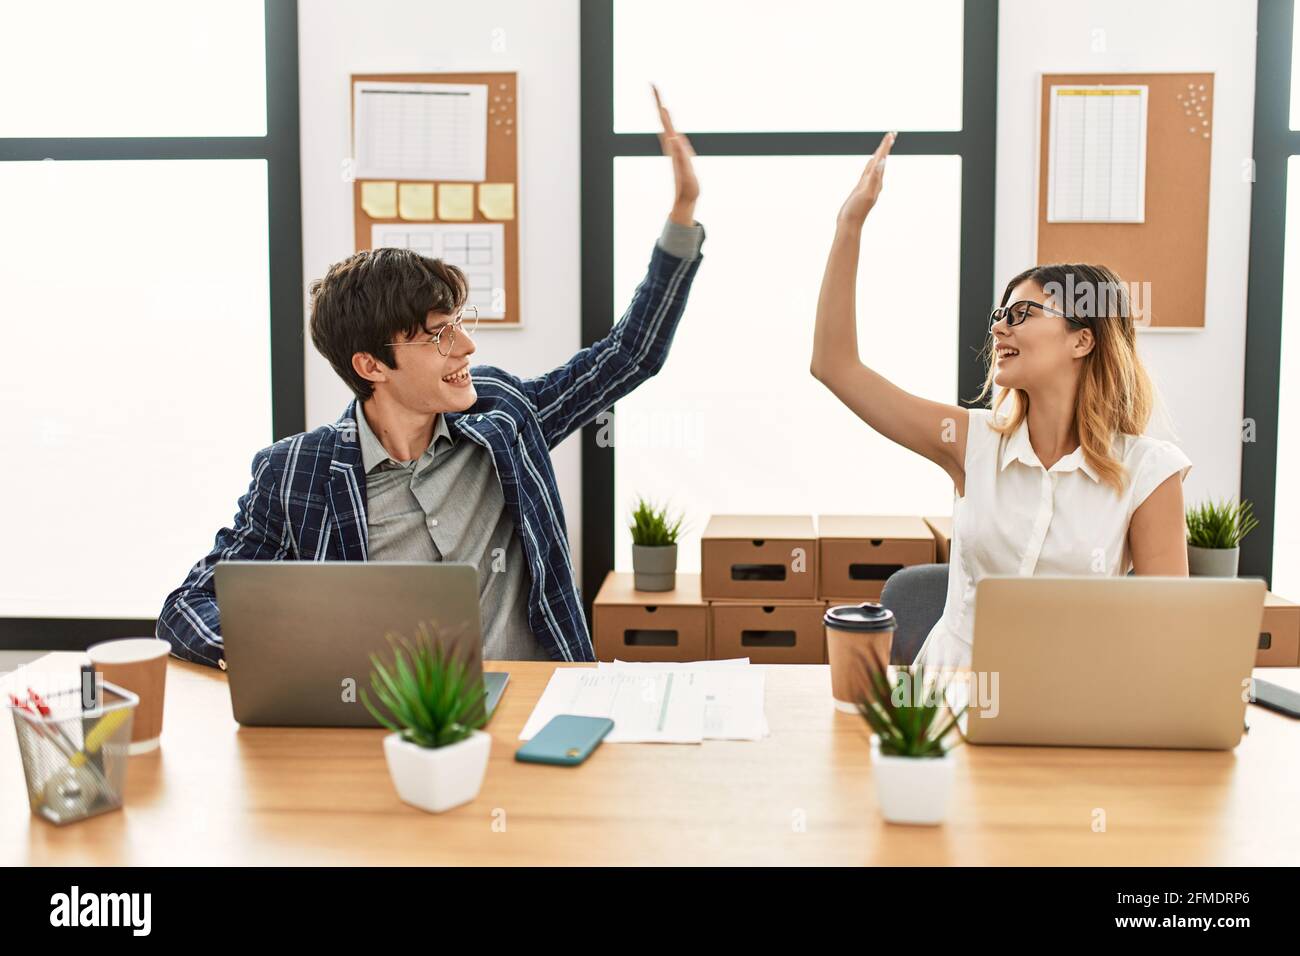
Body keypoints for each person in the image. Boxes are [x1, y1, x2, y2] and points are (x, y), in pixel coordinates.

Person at [158, 91, 703, 668]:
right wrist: (277, 654)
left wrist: (683, 212)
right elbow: (189, 606)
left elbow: (629, 355)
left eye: (459, 325)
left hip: (536, 708)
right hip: (396, 733)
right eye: (437, 335)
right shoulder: (298, 473)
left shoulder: (503, 417)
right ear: (371, 366)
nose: (466, 346)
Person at [810, 133, 1191, 668]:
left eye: (1022, 314)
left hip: (1066, 710)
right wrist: (849, 225)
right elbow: (835, 365)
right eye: (999, 315)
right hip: (947, 702)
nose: (999, 328)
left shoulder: (1148, 472)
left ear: (1083, 339)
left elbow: (1166, 634)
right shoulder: (972, 441)